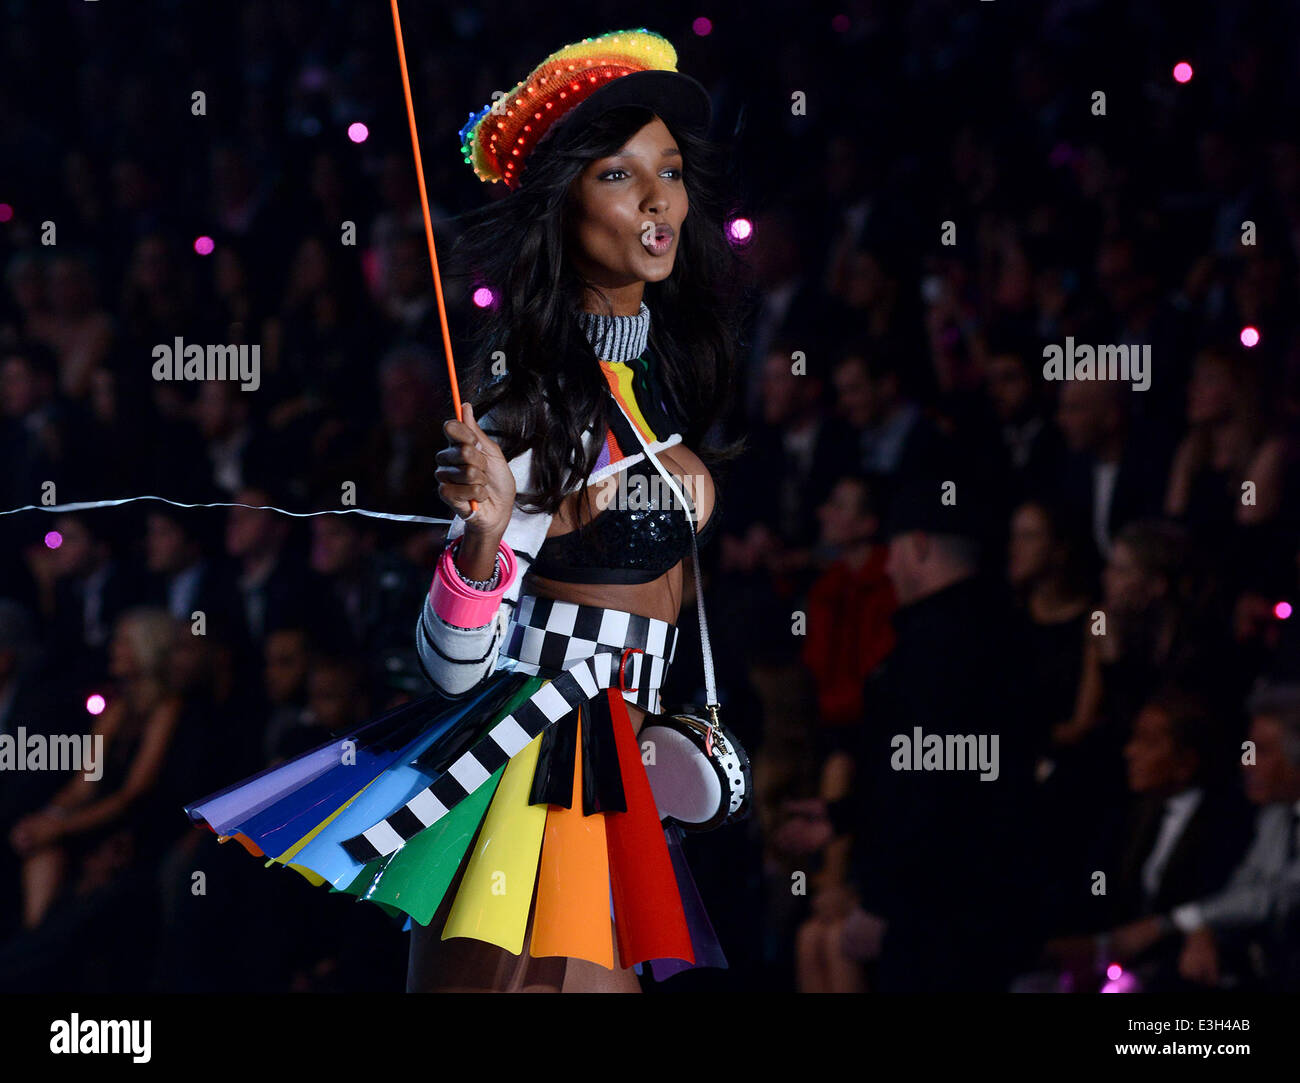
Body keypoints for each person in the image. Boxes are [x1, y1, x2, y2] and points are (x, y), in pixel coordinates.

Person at [183, 28, 745, 994]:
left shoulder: (655, 398)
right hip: (531, 778)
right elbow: (457, 666)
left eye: (672, 171)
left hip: (622, 778)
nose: (660, 198)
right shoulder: (529, 413)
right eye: (619, 175)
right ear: (563, 209)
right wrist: (481, 540)